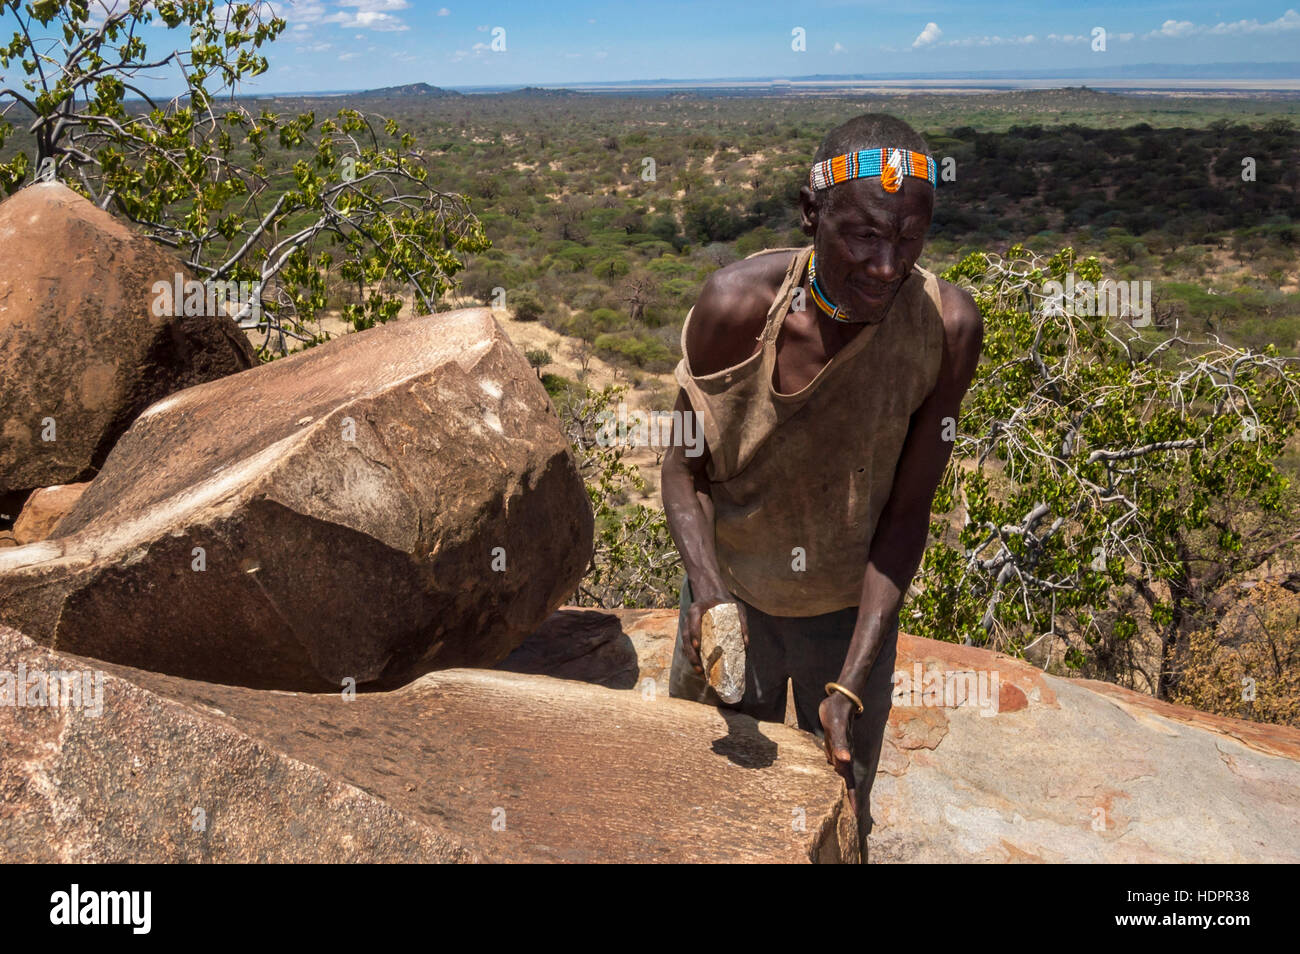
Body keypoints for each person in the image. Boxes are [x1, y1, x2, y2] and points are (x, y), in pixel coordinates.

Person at [660, 113, 984, 857]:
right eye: (864, 236)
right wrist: (708, 595)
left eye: (909, 238)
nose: (886, 264)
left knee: (837, 823)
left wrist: (851, 682)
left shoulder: (946, 329)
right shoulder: (735, 309)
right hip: (732, 599)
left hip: (846, 618)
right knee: (706, 806)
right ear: (811, 213)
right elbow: (682, 467)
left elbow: (907, 517)